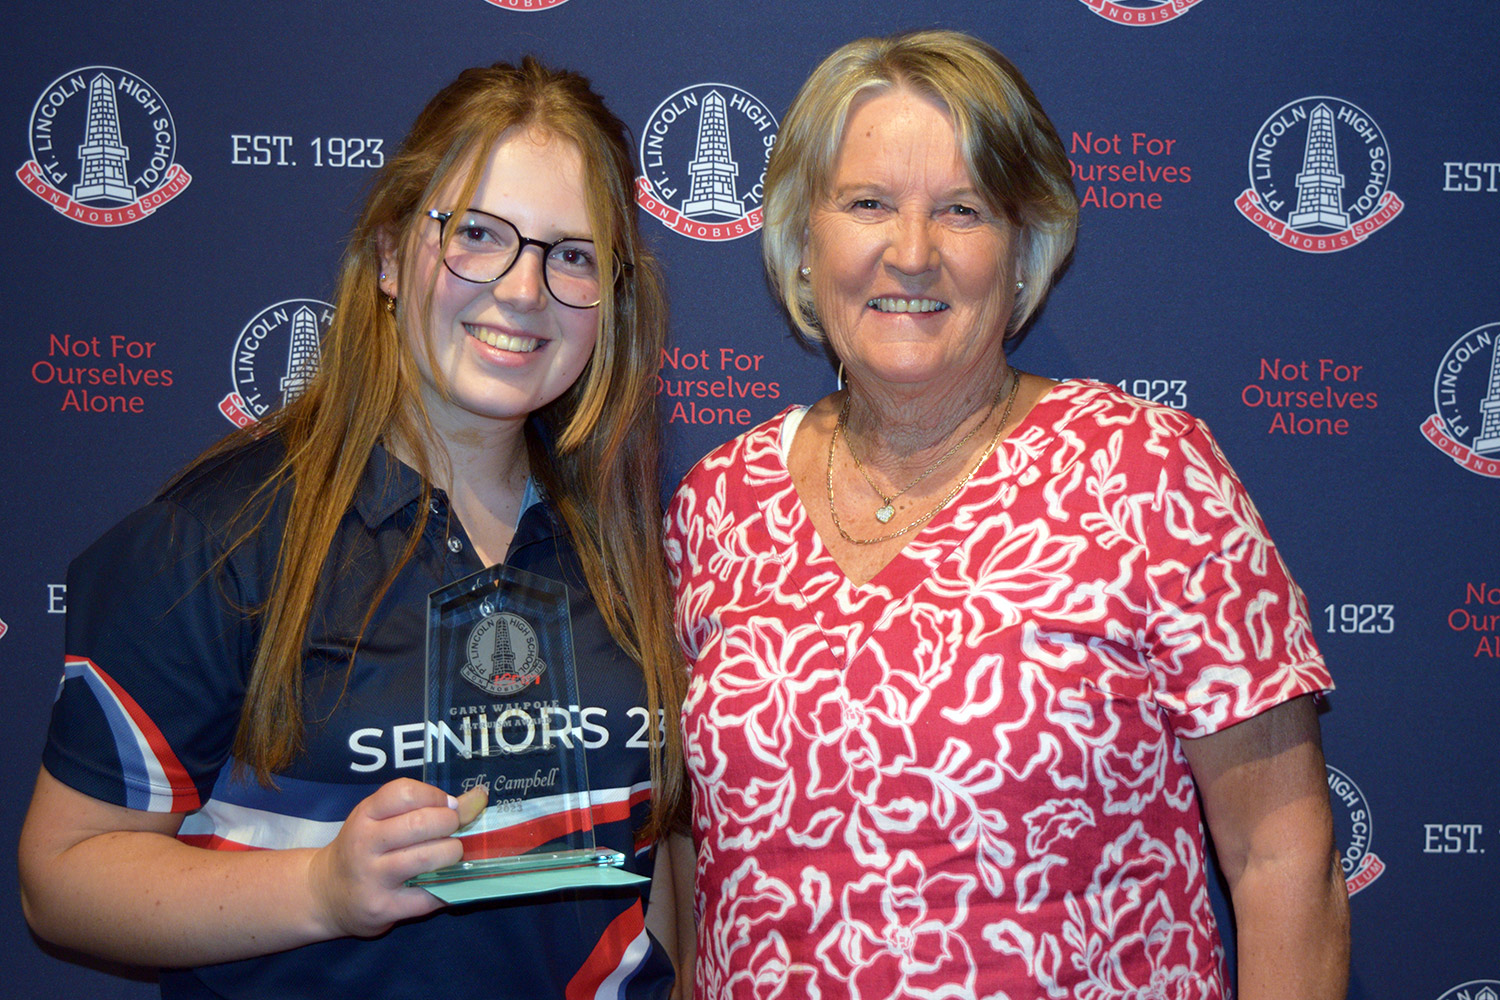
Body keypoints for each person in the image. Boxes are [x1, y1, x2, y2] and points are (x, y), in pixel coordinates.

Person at [665, 30, 1349, 1000]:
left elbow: (1284, 859)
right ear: (802, 241)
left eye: (962, 209)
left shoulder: (1147, 473)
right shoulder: (717, 507)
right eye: (867, 204)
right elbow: (700, 871)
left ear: (1024, 248)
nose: (912, 252)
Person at [20, 58, 690, 999]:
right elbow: (64, 879)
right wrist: (323, 890)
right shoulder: (221, 539)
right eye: (480, 235)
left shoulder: (629, 543)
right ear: (388, 253)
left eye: (571, 254)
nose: (524, 289)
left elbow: (648, 865)